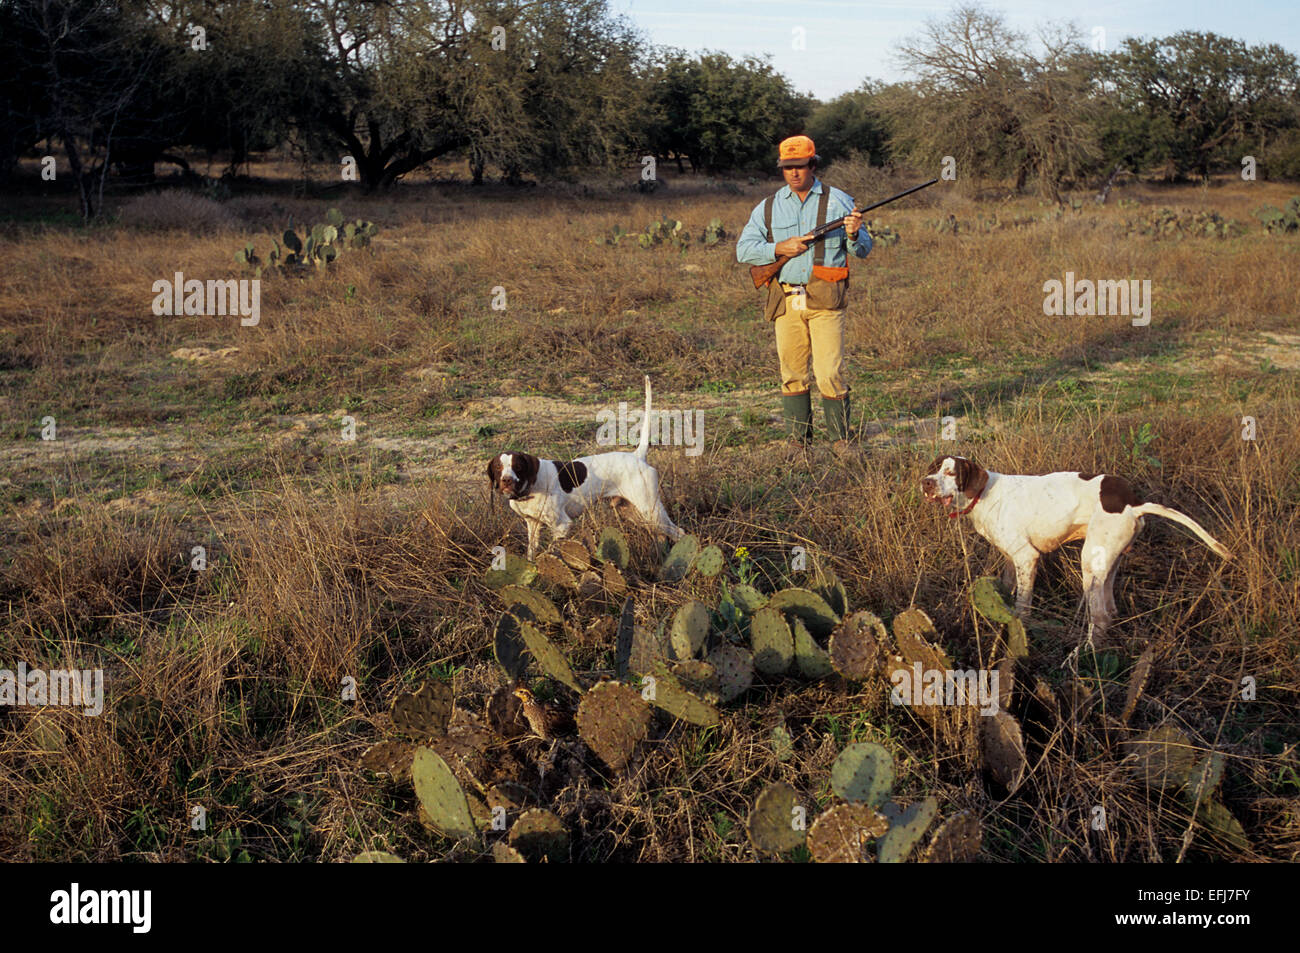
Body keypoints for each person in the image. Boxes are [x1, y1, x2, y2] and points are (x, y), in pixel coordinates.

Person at [736, 135, 872, 457]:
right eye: (788, 167)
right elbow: (744, 249)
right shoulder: (768, 207)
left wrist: (853, 233)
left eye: (800, 166)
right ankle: (798, 443)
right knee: (792, 372)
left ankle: (841, 441)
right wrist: (779, 248)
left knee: (829, 372)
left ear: (813, 164)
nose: (794, 173)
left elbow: (863, 249)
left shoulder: (840, 202)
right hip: (786, 301)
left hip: (827, 301)